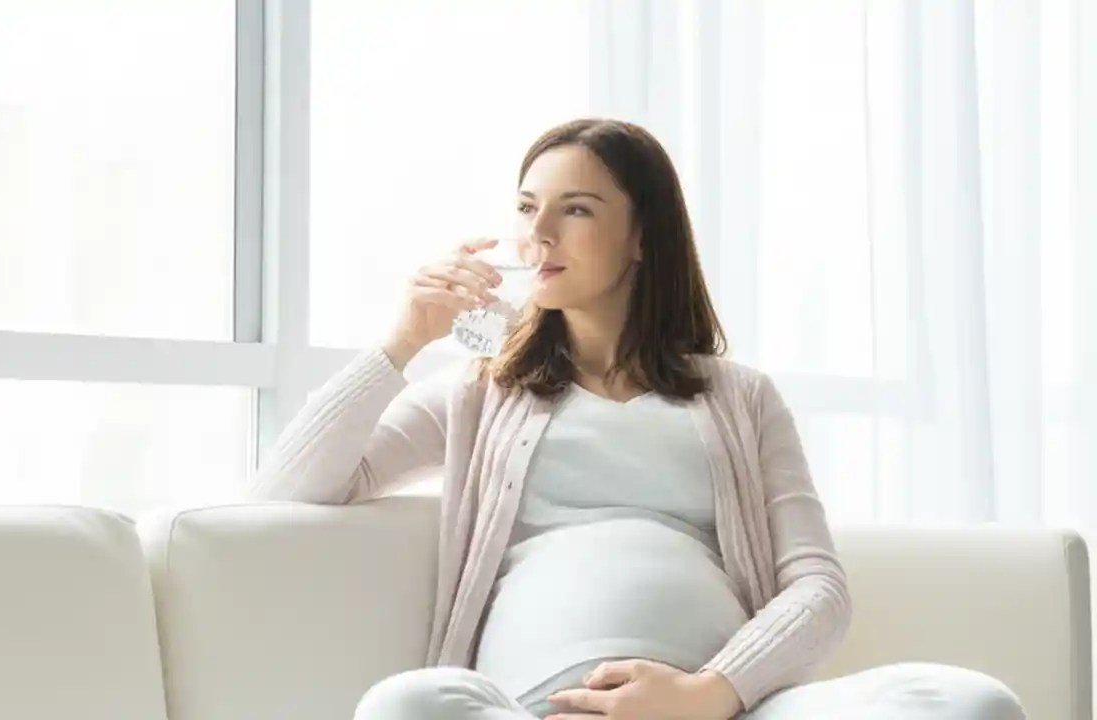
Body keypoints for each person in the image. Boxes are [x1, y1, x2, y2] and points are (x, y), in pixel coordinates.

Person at [249, 118, 1027, 719]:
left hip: (722, 708)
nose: (538, 233)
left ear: (642, 236)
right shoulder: (481, 393)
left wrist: (708, 691)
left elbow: (818, 588)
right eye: (527, 208)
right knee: (403, 705)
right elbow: (287, 488)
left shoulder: (741, 398)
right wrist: (403, 340)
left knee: (970, 703)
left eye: (576, 209)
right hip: (531, 706)